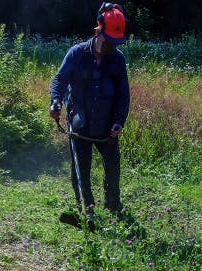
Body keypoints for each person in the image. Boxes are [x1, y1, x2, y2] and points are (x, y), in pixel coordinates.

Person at [50, 3, 130, 228]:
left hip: (107, 126)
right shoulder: (77, 53)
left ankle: (113, 206)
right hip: (80, 122)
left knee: (113, 166)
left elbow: (123, 95)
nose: (111, 47)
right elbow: (59, 80)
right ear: (98, 31)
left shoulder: (118, 59)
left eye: (116, 43)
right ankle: (86, 210)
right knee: (80, 170)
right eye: (108, 42)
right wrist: (55, 101)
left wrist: (118, 122)